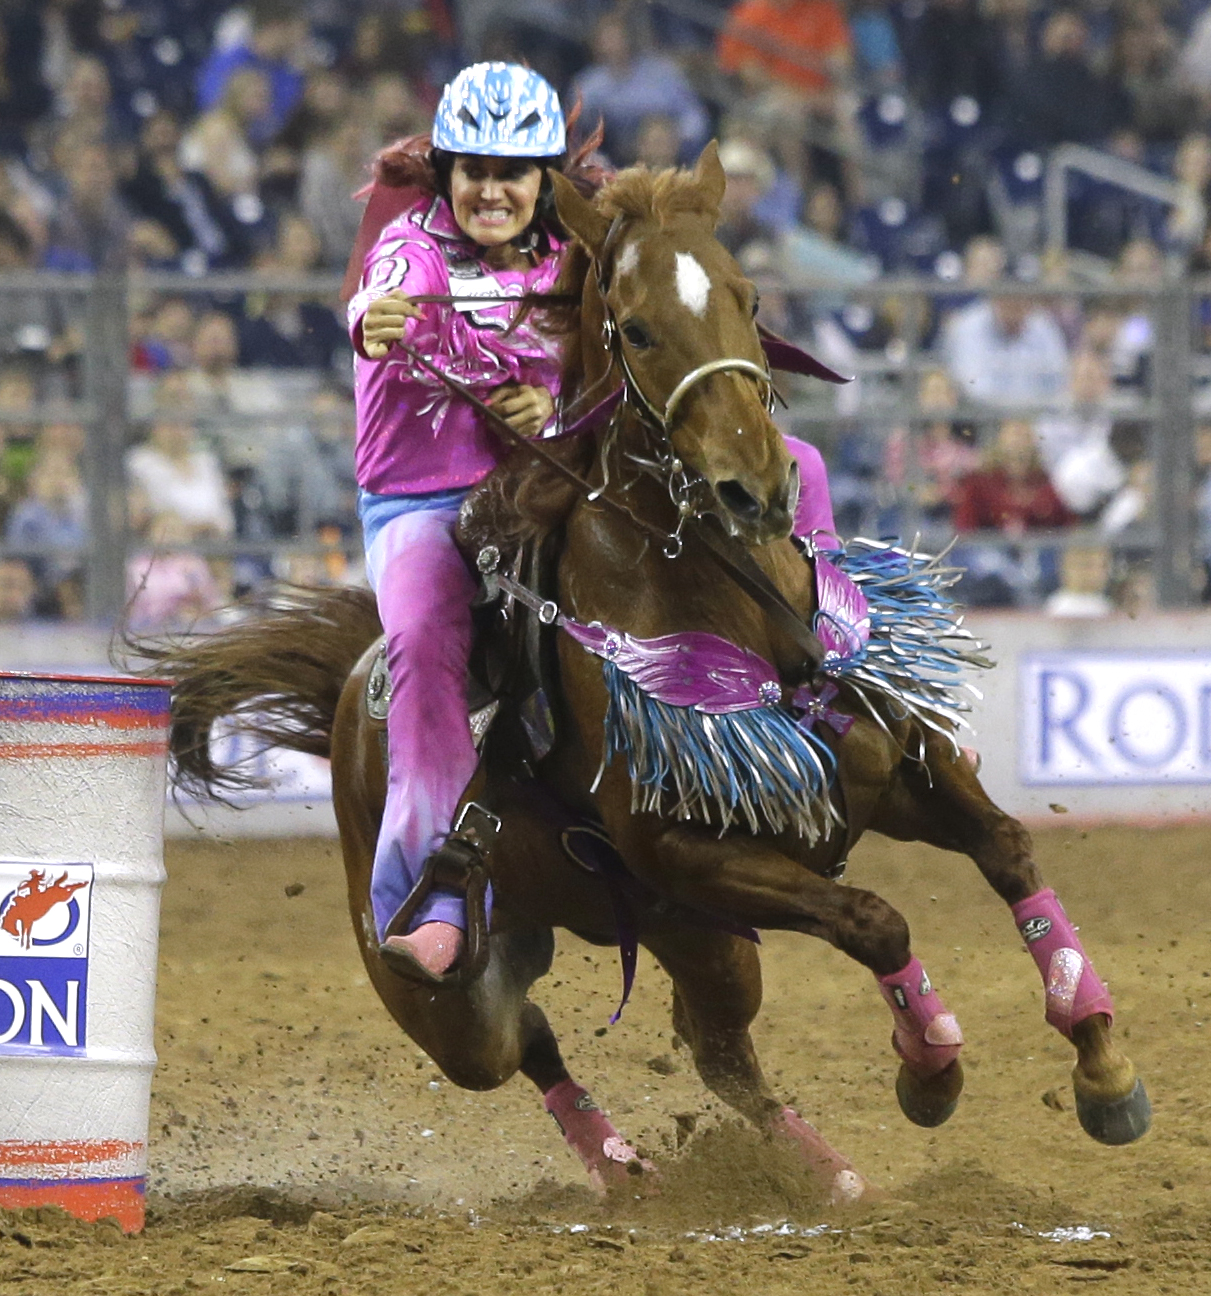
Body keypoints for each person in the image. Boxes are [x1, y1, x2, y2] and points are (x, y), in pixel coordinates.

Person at [344, 62, 597, 981]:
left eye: (514, 171)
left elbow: (609, 378)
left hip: (539, 495)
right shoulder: (407, 247)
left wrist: (560, 409)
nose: (491, 189)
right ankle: (426, 898)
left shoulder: (576, 268)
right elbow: (387, 312)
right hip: (421, 508)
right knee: (419, 635)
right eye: (473, 169)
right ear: (447, 173)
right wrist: (376, 321)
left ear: (544, 182)